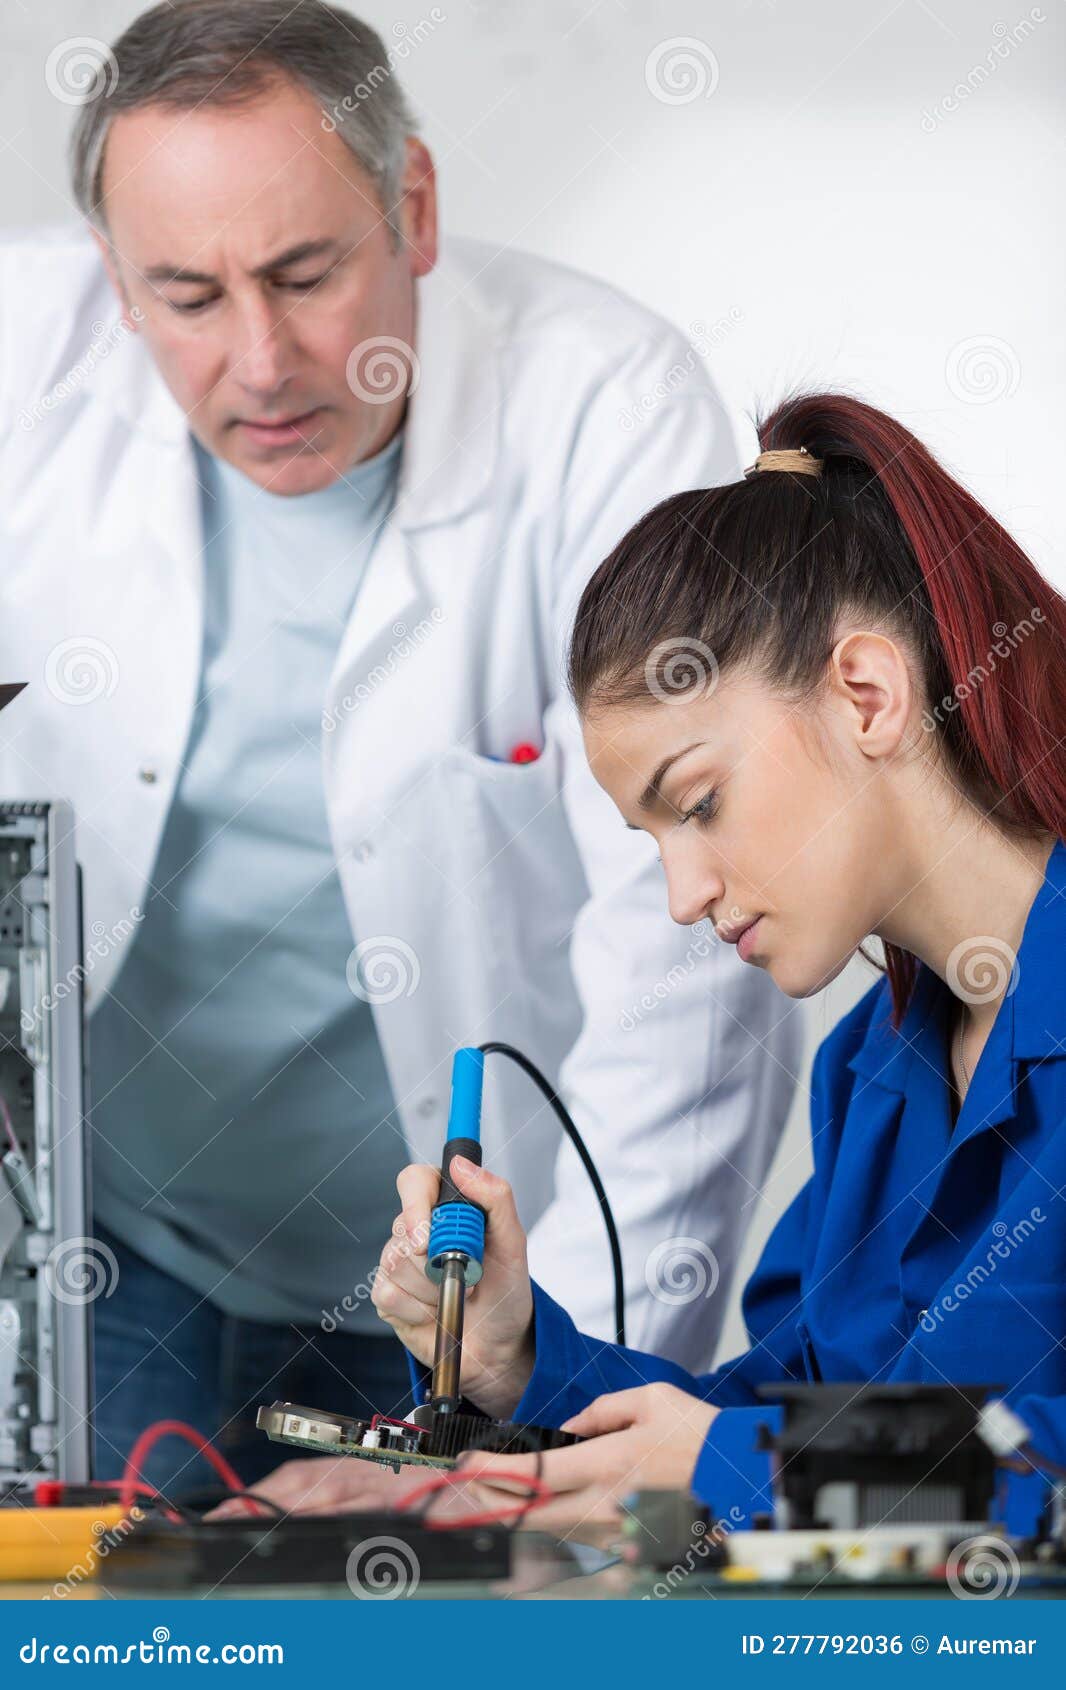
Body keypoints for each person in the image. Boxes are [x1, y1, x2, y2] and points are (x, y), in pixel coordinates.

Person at [0, 0, 798, 1492]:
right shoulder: (16, 358)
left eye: (307, 274)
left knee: (473, 1597)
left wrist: (560, 1416)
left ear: (412, 208)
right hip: (118, 1250)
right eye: (186, 294)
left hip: (472, 1287)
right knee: (94, 1603)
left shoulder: (606, 411)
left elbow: (682, 964)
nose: (260, 360)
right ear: (113, 277)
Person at [241, 391, 1066, 1536]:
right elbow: (779, 1423)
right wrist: (515, 1354)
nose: (684, 896)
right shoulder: (869, 1074)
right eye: (652, 839)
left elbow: (849, 1467)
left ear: (867, 696)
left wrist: (751, 1469)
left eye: (700, 802)